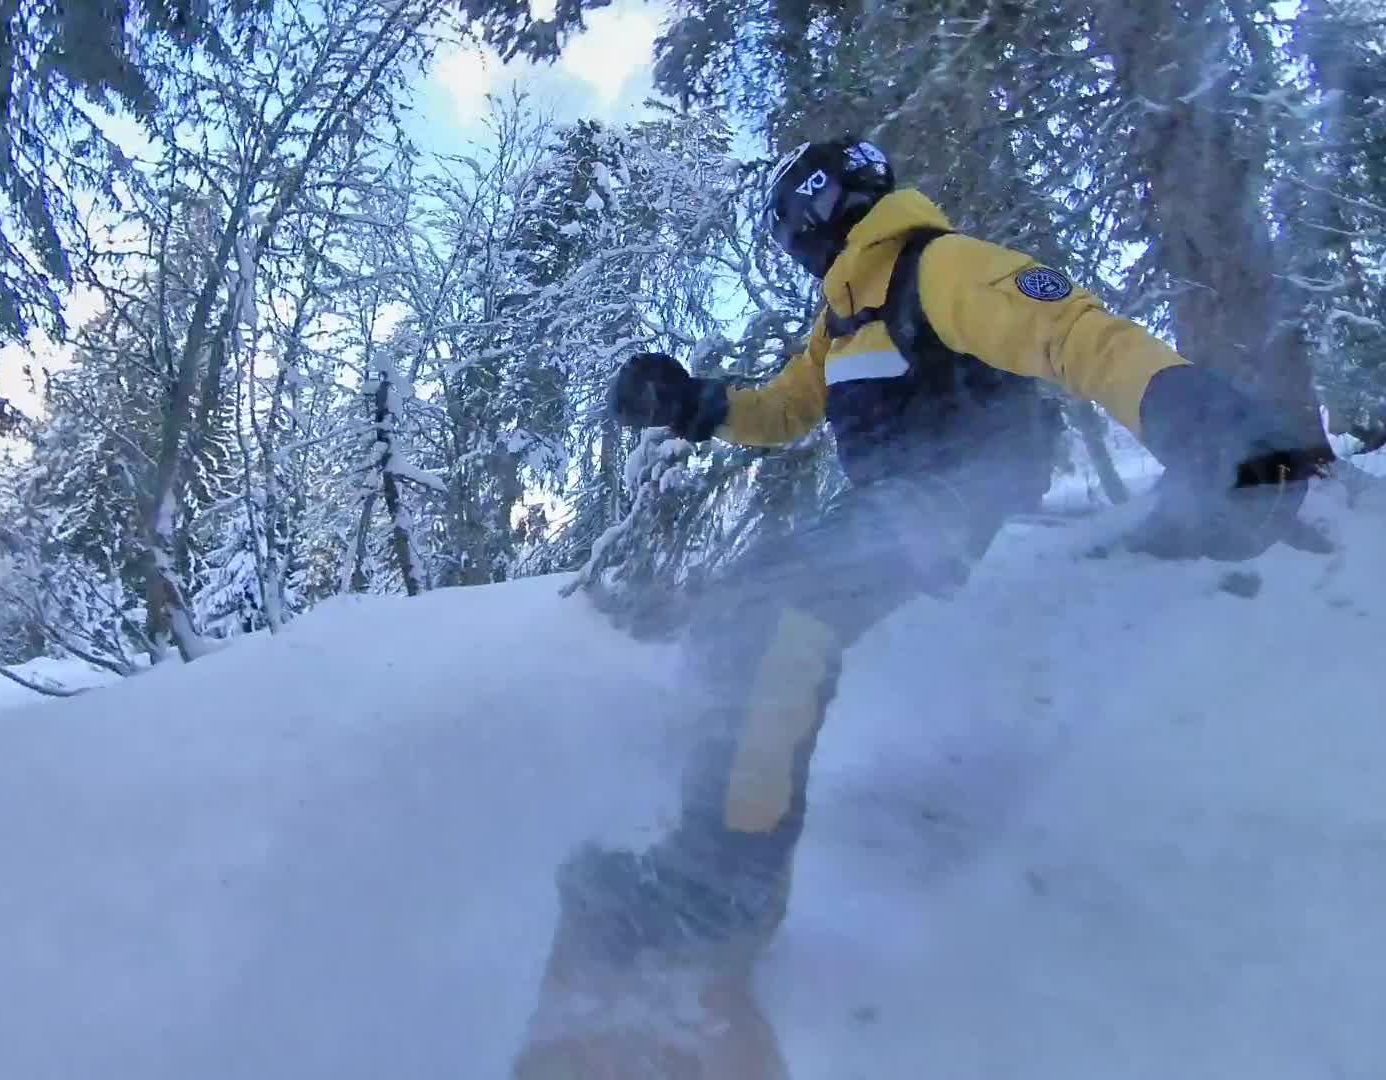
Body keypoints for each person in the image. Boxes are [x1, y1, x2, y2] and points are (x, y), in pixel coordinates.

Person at [557, 136, 1327, 965]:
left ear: (823, 206)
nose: (792, 249)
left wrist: (1209, 426)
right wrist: (692, 406)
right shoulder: (843, 317)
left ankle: (720, 891)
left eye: (790, 225)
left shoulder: (940, 268)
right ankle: (715, 810)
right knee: (736, 612)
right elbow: (785, 411)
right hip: (892, 503)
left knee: (774, 613)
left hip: (948, 498)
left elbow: (1073, 333)